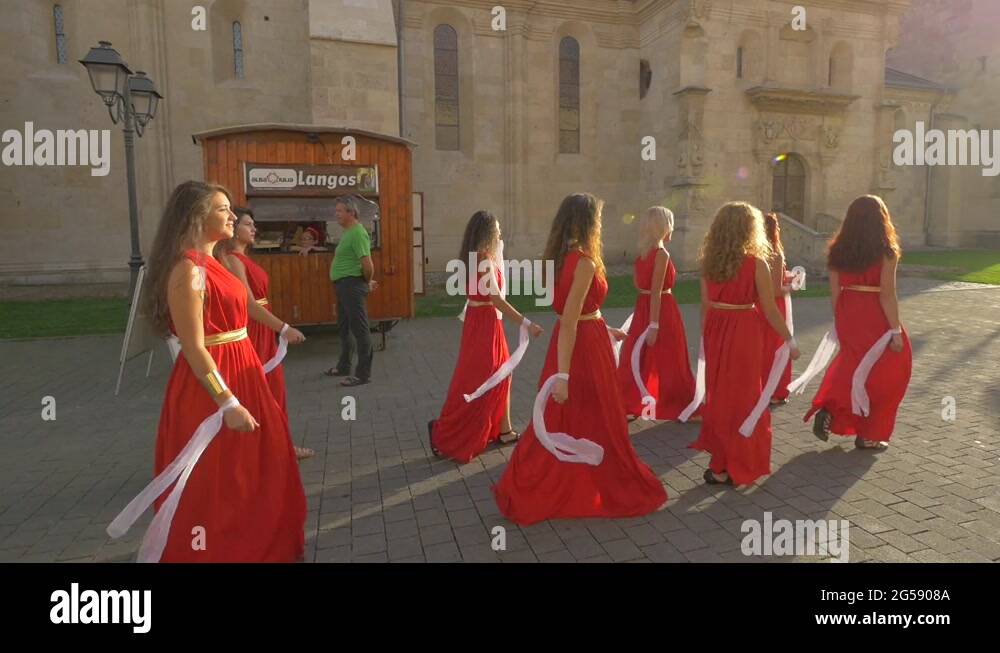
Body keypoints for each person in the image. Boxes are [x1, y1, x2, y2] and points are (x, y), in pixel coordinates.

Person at [141, 180, 306, 561]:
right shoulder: (189, 270)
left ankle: (259, 541)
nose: (233, 216)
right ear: (197, 216)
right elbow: (194, 346)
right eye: (223, 209)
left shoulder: (214, 262)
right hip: (215, 384)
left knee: (258, 465)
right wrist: (227, 401)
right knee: (220, 477)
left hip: (244, 370)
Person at [493, 193, 667, 525]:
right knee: (595, 412)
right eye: (598, 218)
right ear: (587, 222)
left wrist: (605, 328)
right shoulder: (584, 262)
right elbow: (572, 318)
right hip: (580, 348)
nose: (600, 223)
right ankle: (585, 479)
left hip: (584, 338)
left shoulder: (563, 259)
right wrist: (563, 376)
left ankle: (573, 472)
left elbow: (578, 313)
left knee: (572, 415)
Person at [688, 202, 800, 487]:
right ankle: (741, 461)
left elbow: (704, 304)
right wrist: (789, 339)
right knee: (746, 396)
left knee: (720, 397)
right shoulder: (756, 263)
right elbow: (770, 309)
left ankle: (720, 463)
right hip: (744, 332)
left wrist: (706, 338)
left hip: (716, 328)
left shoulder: (709, 263)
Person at [428, 211, 543, 463]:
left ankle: (504, 430)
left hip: (478, 323)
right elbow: (497, 300)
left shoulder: (475, 258)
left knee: (499, 374)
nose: (501, 233)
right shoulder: (484, 261)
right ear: (488, 232)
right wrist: (527, 323)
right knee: (486, 377)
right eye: (498, 229)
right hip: (484, 325)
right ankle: (445, 430)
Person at [804, 195, 912, 450]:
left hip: (848, 310)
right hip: (874, 313)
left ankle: (832, 408)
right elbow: (887, 294)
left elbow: (835, 292)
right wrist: (895, 330)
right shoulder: (886, 252)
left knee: (852, 364)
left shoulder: (837, 249)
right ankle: (869, 432)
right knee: (890, 370)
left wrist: (840, 322)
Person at [216, 207, 314, 460]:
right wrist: (284, 328)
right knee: (266, 390)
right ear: (234, 229)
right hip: (254, 331)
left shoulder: (241, 258)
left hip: (261, 329)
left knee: (272, 390)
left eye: (253, 224)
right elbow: (248, 304)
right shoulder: (233, 259)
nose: (254, 228)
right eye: (248, 224)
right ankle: (272, 448)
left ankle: (274, 445)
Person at [616, 206, 698, 421]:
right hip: (661, 311)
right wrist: (654, 324)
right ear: (664, 227)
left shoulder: (642, 255)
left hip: (642, 307)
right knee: (672, 358)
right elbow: (656, 292)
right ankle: (681, 404)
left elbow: (639, 285)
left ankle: (630, 401)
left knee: (638, 355)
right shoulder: (661, 254)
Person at [325, 196, 378, 386]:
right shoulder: (348, 232)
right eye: (336, 210)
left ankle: (363, 374)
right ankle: (344, 366)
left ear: (351, 213)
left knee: (360, 330)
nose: (336, 214)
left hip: (351, 286)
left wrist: (366, 282)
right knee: (344, 328)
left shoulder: (357, 233)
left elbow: (367, 264)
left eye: (340, 211)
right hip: (344, 286)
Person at [758, 212, 794, 406]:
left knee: (763, 348)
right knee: (778, 348)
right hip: (775, 306)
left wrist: (785, 277)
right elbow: (776, 290)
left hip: (759, 306)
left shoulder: (756, 253)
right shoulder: (776, 254)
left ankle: (760, 386)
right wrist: (792, 286)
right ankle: (776, 390)